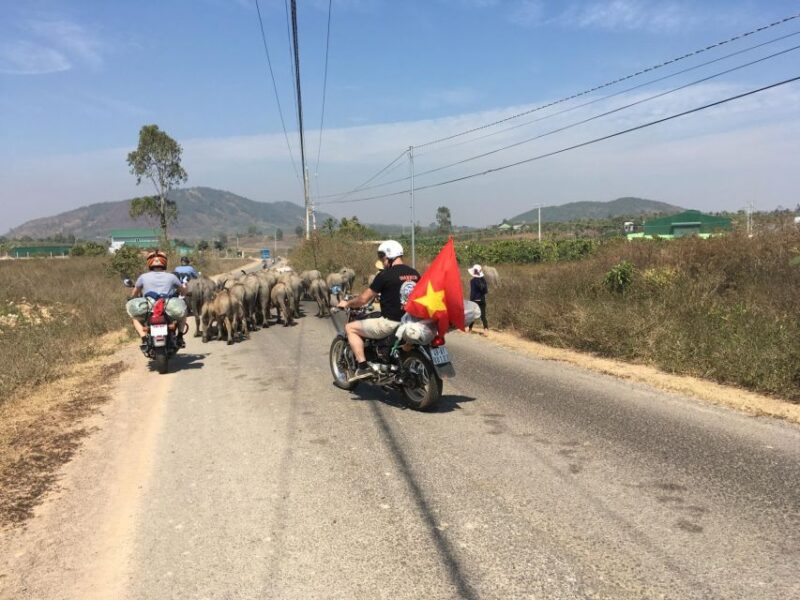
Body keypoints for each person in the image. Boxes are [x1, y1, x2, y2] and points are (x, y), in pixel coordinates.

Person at [337, 240, 420, 381]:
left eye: (382, 258)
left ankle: (362, 367)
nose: (382, 261)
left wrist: (347, 303)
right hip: (412, 321)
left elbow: (363, 299)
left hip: (390, 324)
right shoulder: (415, 274)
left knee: (350, 327)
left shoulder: (384, 275)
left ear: (388, 256)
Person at [127, 250, 188, 348]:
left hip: (149, 308)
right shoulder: (172, 277)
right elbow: (183, 291)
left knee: (134, 318)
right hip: (167, 307)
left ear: (149, 263)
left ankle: (144, 339)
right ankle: (180, 337)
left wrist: (131, 298)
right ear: (164, 262)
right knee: (183, 315)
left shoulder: (143, 277)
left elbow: (135, 293)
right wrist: (185, 290)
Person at [468, 264, 489, 335]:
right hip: (482, 300)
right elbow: (485, 291)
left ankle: (470, 329)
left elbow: (473, 293)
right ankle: (486, 329)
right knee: (483, 315)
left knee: (472, 315)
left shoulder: (472, 281)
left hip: (474, 300)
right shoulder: (484, 281)